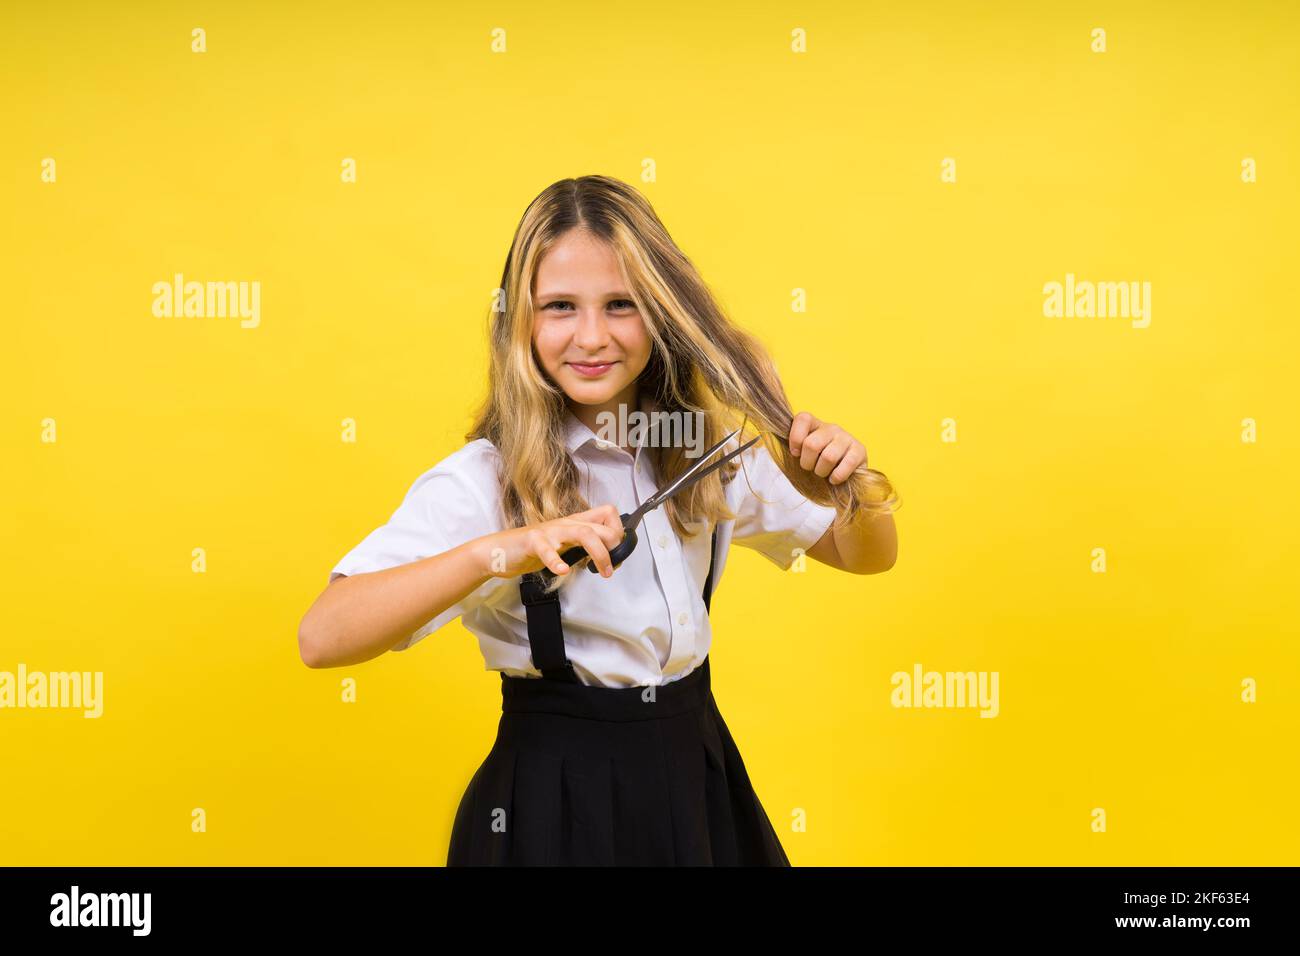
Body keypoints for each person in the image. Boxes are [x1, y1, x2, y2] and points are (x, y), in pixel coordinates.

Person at [298, 175, 900, 865]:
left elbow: (867, 555)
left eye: (622, 305)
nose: (591, 337)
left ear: (664, 313)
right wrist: (498, 553)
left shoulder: (705, 449)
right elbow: (322, 636)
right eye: (559, 307)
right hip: (553, 812)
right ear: (518, 320)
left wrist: (844, 486)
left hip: (697, 783)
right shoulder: (484, 482)